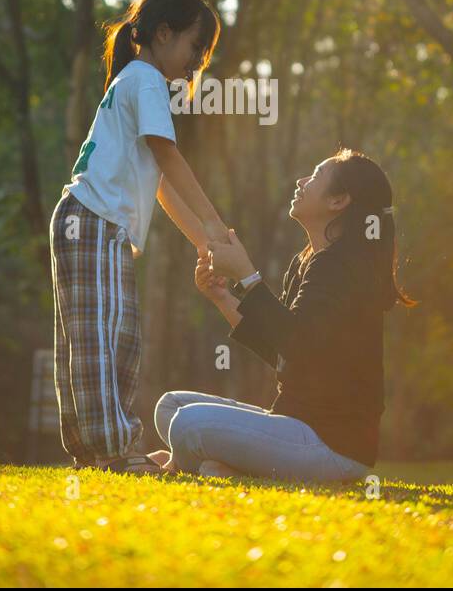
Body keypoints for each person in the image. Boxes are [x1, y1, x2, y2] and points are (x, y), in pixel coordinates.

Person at [149, 148, 416, 481]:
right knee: (171, 407)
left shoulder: (345, 267)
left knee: (187, 426)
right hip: (292, 425)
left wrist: (247, 274)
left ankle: (186, 466)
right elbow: (281, 352)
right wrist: (221, 297)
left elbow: (297, 343)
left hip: (331, 446)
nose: (302, 181)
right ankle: (221, 468)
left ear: (338, 201)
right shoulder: (309, 262)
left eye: (315, 176)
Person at [50, 0, 230, 475]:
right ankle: (112, 449)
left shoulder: (136, 81)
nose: (198, 61)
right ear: (164, 33)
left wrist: (201, 241)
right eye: (196, 46)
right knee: (99, 340)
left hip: (95, 227)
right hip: (90, 223)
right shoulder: (145, 79)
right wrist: (215, 225)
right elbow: (169, 157)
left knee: (115, 338)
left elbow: (160, 185)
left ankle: (103, 450)